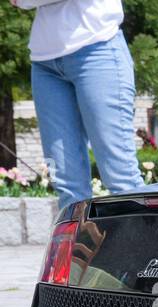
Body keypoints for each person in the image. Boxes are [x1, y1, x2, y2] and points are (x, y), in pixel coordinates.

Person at [13, 0, 146, 210]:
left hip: (97, 50)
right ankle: (80, 243)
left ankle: (151, 240)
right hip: (44, 64)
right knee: (67, 185)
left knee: (122, 179)